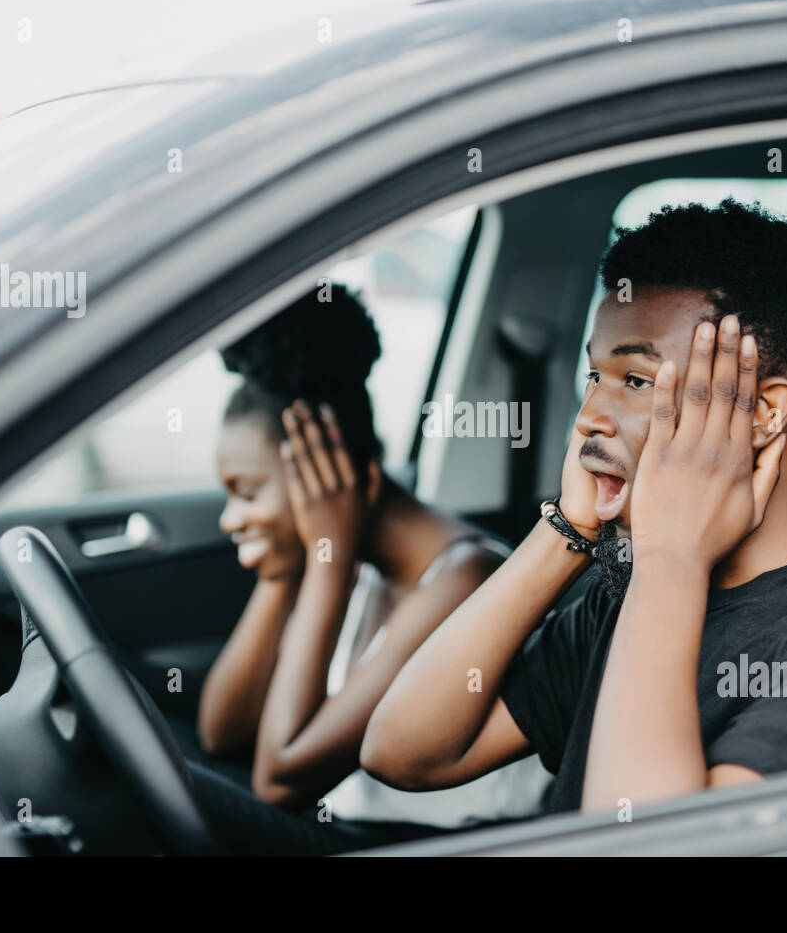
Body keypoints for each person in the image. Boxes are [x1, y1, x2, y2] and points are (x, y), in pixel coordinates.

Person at [362, 199, 787, 815]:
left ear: (765, 413)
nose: (586, 421)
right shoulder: (628, 591)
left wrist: (674, 558)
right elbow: (403, 751)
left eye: (635, 381)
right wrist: (569, 529)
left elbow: (641, 846)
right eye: (593, 379)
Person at [187, 283, 551, 853]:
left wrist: (327, 562)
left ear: (332, 476)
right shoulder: (355, 558)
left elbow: (279, 779)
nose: (231, 519)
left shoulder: (465, 579)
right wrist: (284, 576)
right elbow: (221, 733)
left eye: (249, 492)